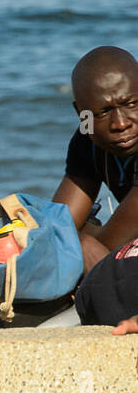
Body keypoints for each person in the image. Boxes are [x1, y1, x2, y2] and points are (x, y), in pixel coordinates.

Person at [50, 46, 138, 272]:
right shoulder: (86, 140)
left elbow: (105, 250)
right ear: (82, 115)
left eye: (131, 104)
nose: (120, 123)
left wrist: (83, 238)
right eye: (103, 113)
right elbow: (56, 227)